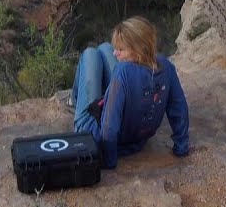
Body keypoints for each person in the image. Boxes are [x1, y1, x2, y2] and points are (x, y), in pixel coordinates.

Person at [71, 16, 190, 170]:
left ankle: (74, 101)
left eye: (121, 49)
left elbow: (109, 126)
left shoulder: (123, 72)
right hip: (138, 141)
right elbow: (179, 108)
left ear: (138, 50)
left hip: (94, 135)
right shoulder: (166, 65)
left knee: (90, 54)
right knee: (105, 48)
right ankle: (83, 97)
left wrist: (110, 161)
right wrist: (182, 146)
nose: (116, 53)